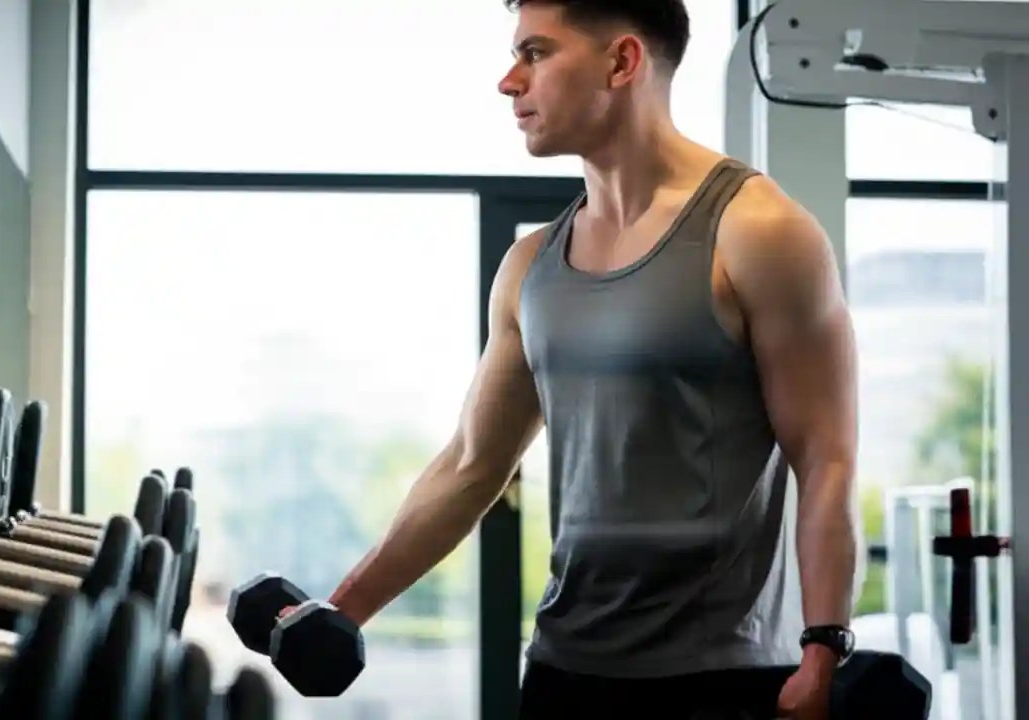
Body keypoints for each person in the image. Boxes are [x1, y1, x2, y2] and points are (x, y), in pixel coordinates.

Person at [313, 1, 861, 717]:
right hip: (563, 671)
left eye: (536, 53)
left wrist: (823, 650)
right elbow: (473, 464)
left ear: (622, 61)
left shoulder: (760, 230)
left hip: (723, 679)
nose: (510, 81)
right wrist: (342, 611)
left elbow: (825, 458)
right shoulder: (530, 264)